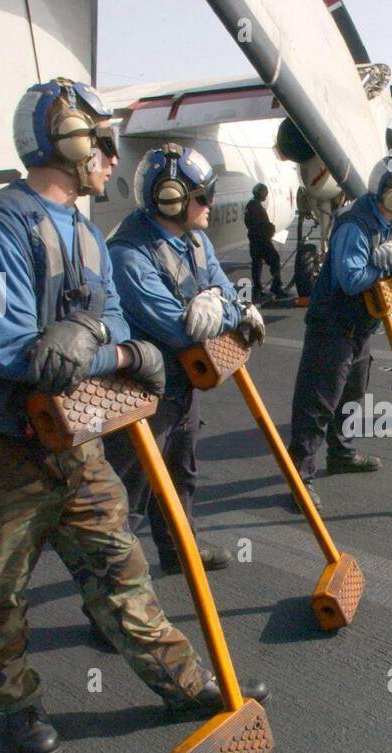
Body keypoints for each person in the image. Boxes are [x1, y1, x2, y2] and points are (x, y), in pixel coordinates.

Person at [0, 78, 266, 753]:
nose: (113, 159)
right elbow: (11, 349)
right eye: (102, 142)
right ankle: (19, 707)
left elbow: (111, 321)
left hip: (76, 438)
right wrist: (108, 347)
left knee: (122, 568)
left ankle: (183, 683)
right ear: (66, 142)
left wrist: (104, 342)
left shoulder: (85, 232)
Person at [105, 143, 264, 575]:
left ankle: (179, 552)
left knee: (181, 477)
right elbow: (182, 329)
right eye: (202, 196)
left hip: (181, 387)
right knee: (127, 499)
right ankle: (115, 597)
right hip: (140, 397)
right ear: (171, 199)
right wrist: (222, 306)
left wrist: (223, 304)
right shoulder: (128, 256)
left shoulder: (193, 241)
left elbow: (225, 295)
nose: (210, 204)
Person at [286, 153, 392, 511]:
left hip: (361, 327)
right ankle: (299, 480)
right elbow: (350, 280)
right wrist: (384, 267)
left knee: (352, 395)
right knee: (317, 404)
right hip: (332, 326)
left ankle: (342, 453)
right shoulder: (354, 225)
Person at [244, 182, 289, 301]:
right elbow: (258, 225)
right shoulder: (255, 207)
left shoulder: (252, 205)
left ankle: (258, 288)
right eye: (265, 193)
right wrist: (270, 229)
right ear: (260, 193)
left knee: (257, 264)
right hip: (261, 241)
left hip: (256, 241)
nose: (266, 196)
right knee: (274, 259)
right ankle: (276, 286)